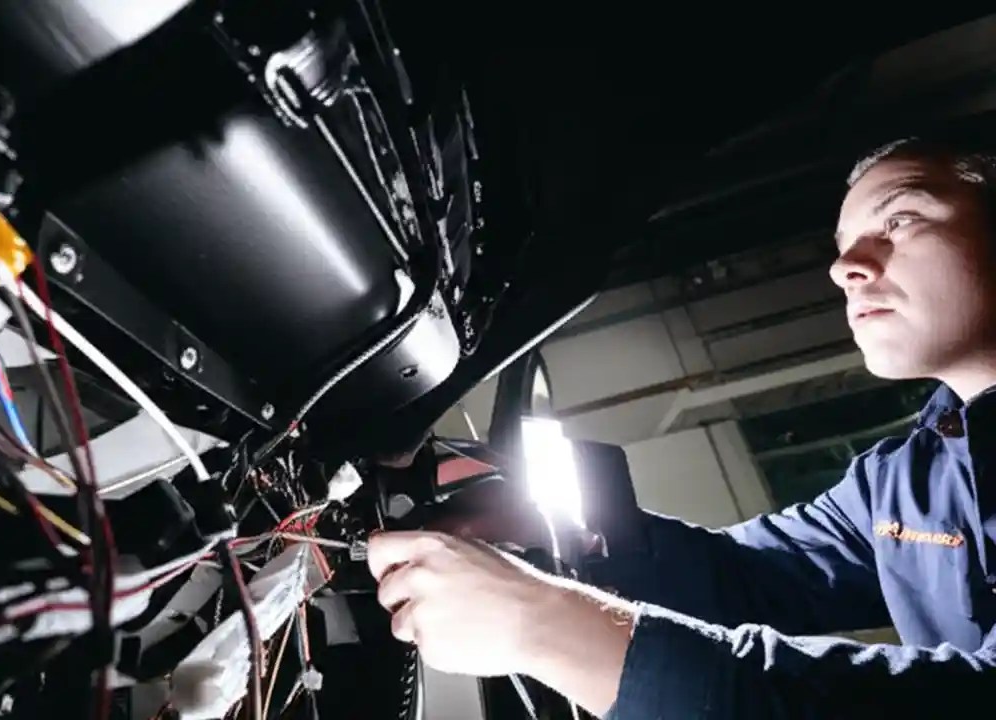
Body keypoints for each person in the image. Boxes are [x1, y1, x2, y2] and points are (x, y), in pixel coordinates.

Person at [365, 137, 996, 718]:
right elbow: (755, 575)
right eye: (842, 245)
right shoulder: (906, 478)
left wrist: (548, 626)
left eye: (901, 219)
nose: (846, 267)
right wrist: (583, 536)